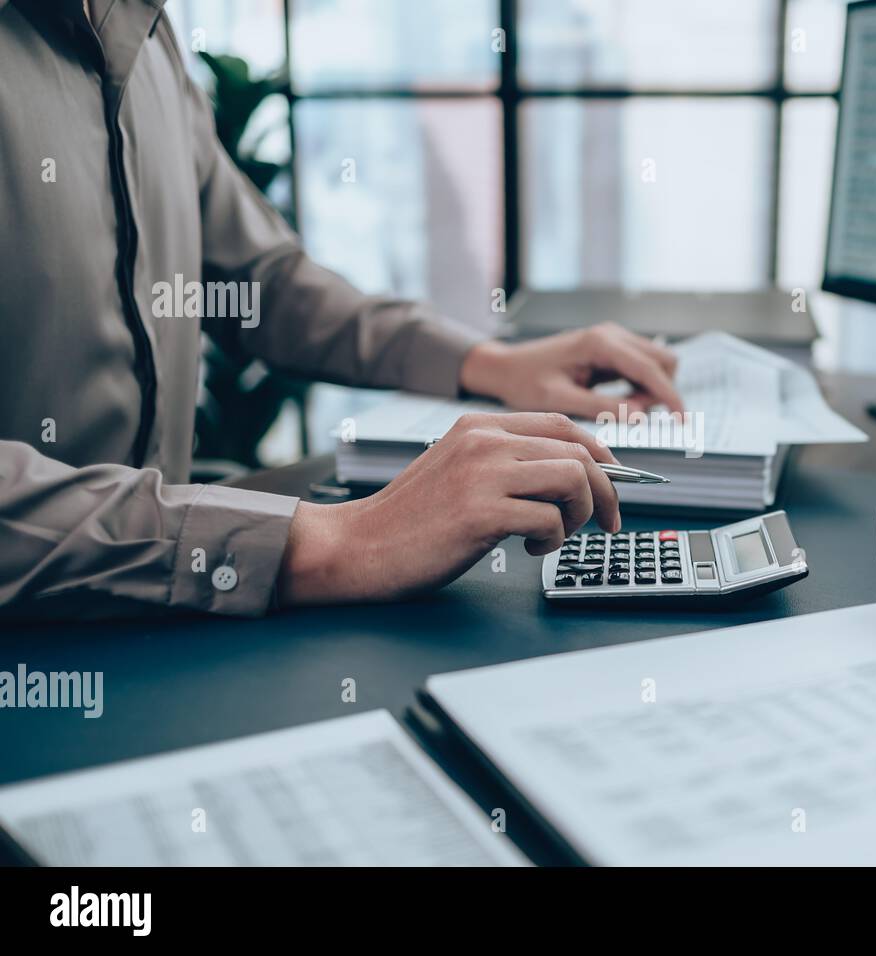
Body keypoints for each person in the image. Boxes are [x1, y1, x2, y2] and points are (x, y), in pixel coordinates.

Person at [0, 0, 684, 620]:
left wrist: (491, 364)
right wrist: (341, 539)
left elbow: (261, 282)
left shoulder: (144, 34)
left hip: (165, 628)